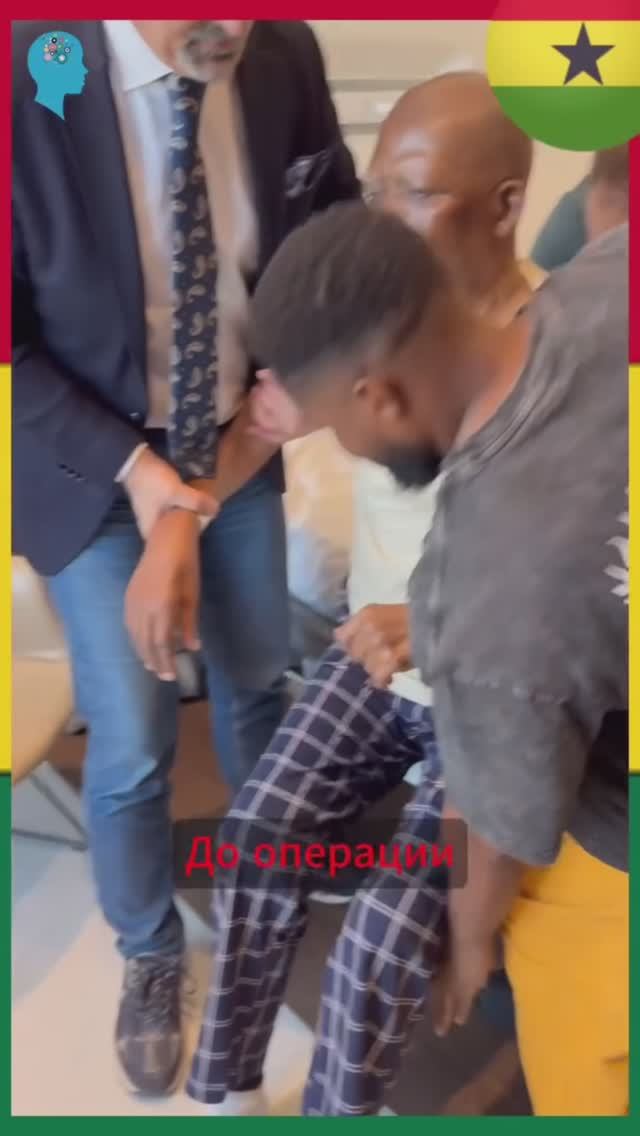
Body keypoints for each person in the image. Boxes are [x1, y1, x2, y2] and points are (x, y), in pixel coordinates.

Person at [187, 73, 547, 1117]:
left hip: (481, 693)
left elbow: (564, 591)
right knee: (252, 839)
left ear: (503, 206)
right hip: (374, 662)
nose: (385, 218)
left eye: (416, 193)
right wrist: (176, 520)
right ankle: (223, 1089)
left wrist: (431, 620)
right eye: (377, 188)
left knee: (375, 949)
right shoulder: (369, 321)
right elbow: (269, 423)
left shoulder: (551, 354)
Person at [12, 18, 359, 1095]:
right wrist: (148, 485)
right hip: (89, 462)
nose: (236, 25)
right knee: (131, 737)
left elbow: (333, 234)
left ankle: (266, 881)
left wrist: (304, 378)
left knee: (259, 680)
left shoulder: (282, 52)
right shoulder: (30, 71)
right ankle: (150, 949)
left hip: (238, 438)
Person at [247, 198, 628, 1117]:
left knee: (587, 1070)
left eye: (335, 426)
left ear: (378, 396)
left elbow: (493, 830)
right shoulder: (608, 274)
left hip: (614, 853)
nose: (349, 448)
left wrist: (469, 945)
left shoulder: (488, 590)